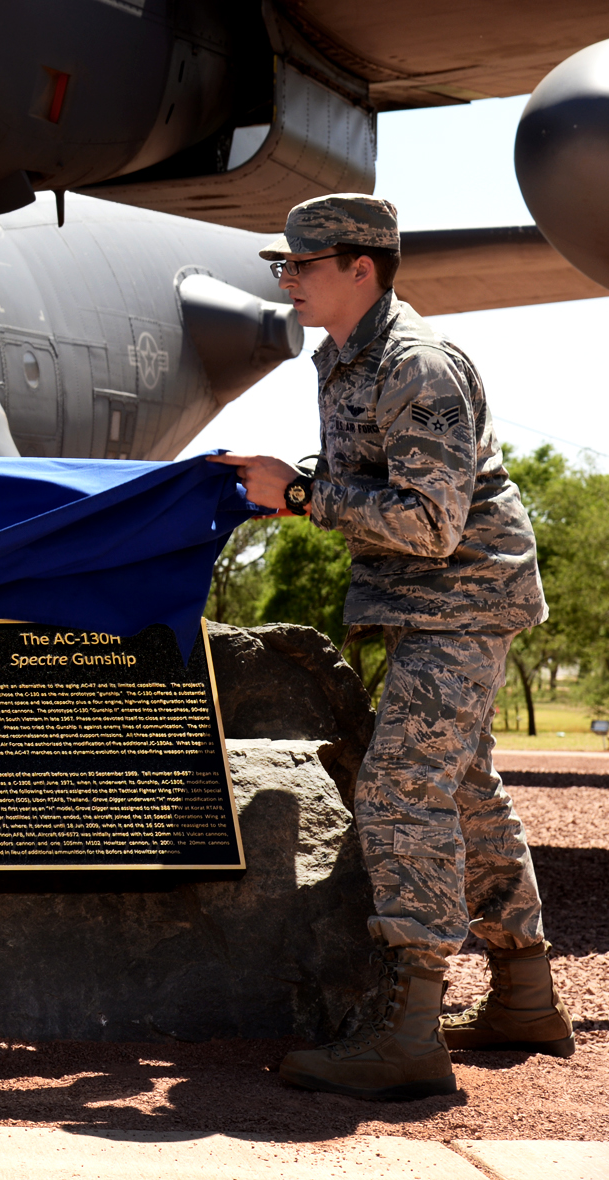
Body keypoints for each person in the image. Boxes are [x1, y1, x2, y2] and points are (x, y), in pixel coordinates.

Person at [211, 193, 573, 1103]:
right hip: (426, 605)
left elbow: (430, 521)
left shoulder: (418, 364)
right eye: (282, 266)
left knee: (400, 788)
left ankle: (410, 1033)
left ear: (360, 267)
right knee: (464, 790)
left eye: (300, 265)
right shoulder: (343, 360)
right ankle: (526, 997)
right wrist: (285, 483)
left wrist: (301, 498)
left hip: (463, 601)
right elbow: (366, 481)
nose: (286, 281)